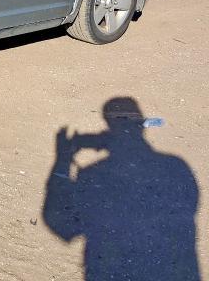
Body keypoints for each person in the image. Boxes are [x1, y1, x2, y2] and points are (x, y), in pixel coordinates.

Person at [43, 97, 199, 280]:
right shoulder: (176, 167)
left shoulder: (92, 175)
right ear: (141, 126)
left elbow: (61, 224)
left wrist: (62, 160)